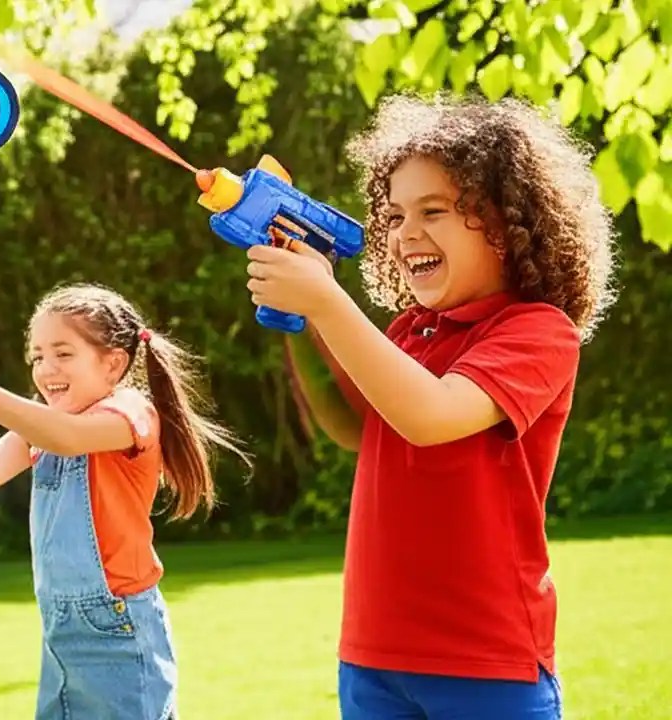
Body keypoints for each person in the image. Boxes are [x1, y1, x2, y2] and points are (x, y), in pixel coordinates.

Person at [244, 93, 618, 719]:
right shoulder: (408, 333)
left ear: (509, 225)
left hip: (485, 660)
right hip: (373, 656)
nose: (405, 233)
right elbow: (352, 426)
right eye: (394, 215)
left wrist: (328, 301)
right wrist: (304, 319)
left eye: (434, 210)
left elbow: (430, 416)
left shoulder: (537, 330)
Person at [0, 282, 250, 720]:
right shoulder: (47, 422)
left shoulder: (130, 412)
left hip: (118, 629)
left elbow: (68, 438)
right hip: (60, 631)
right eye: (37, 357)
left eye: (63, 354)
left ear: (113, 363)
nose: (46, 369)